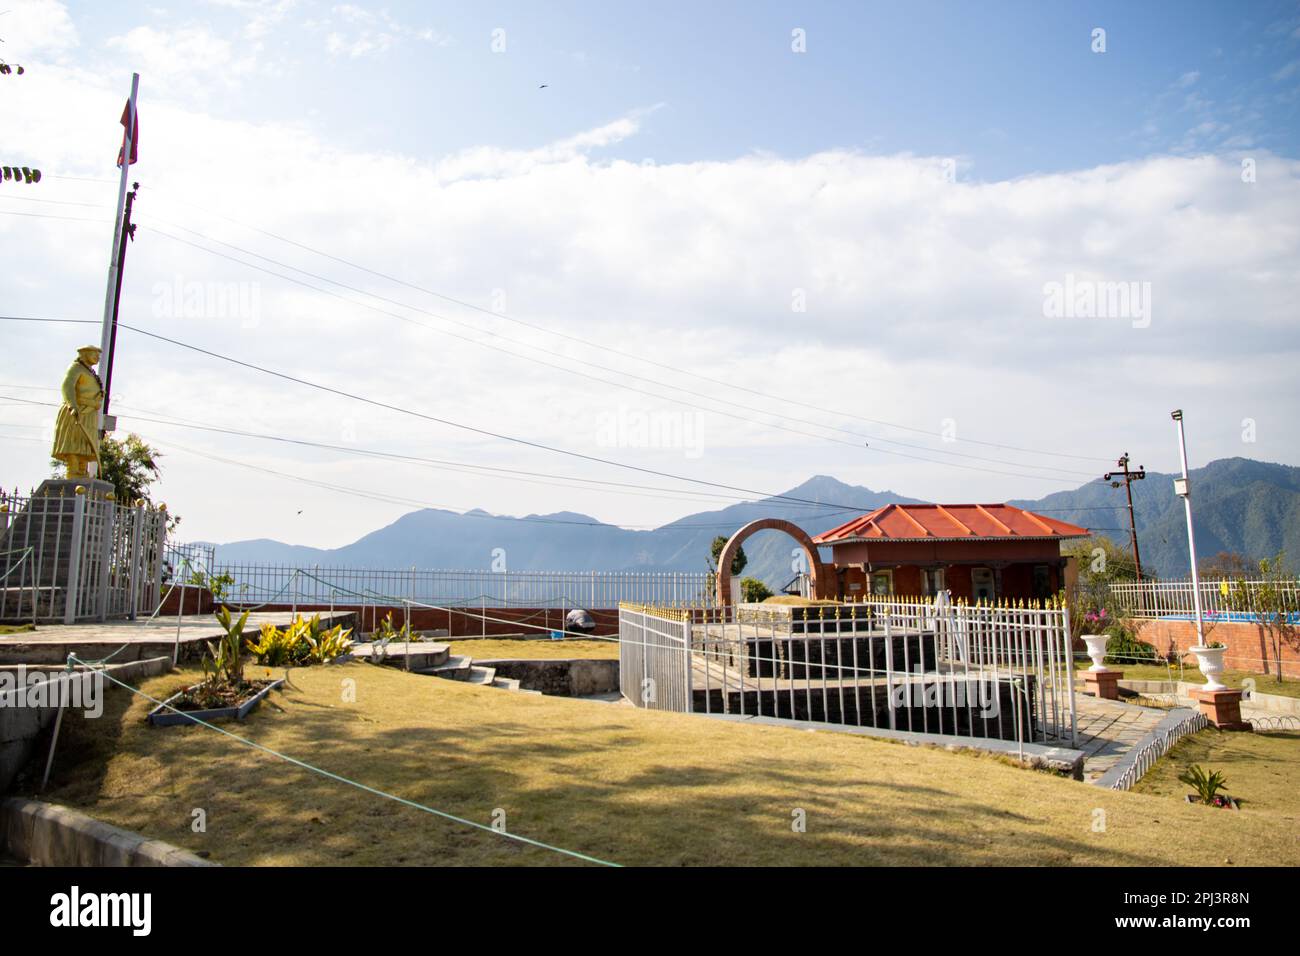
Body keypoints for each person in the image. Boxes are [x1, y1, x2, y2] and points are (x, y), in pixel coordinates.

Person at [52, 345, 104, 480]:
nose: (97, 357)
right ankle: (73, 470)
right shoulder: (75, 368)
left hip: (90, 411)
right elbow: (67, 386)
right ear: (85, 354)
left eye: (98, 355)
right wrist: (72, 405)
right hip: (77, 409)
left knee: (85, 444)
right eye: (94, 354)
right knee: (74, 441)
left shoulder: (91, 372)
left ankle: (82, 470)